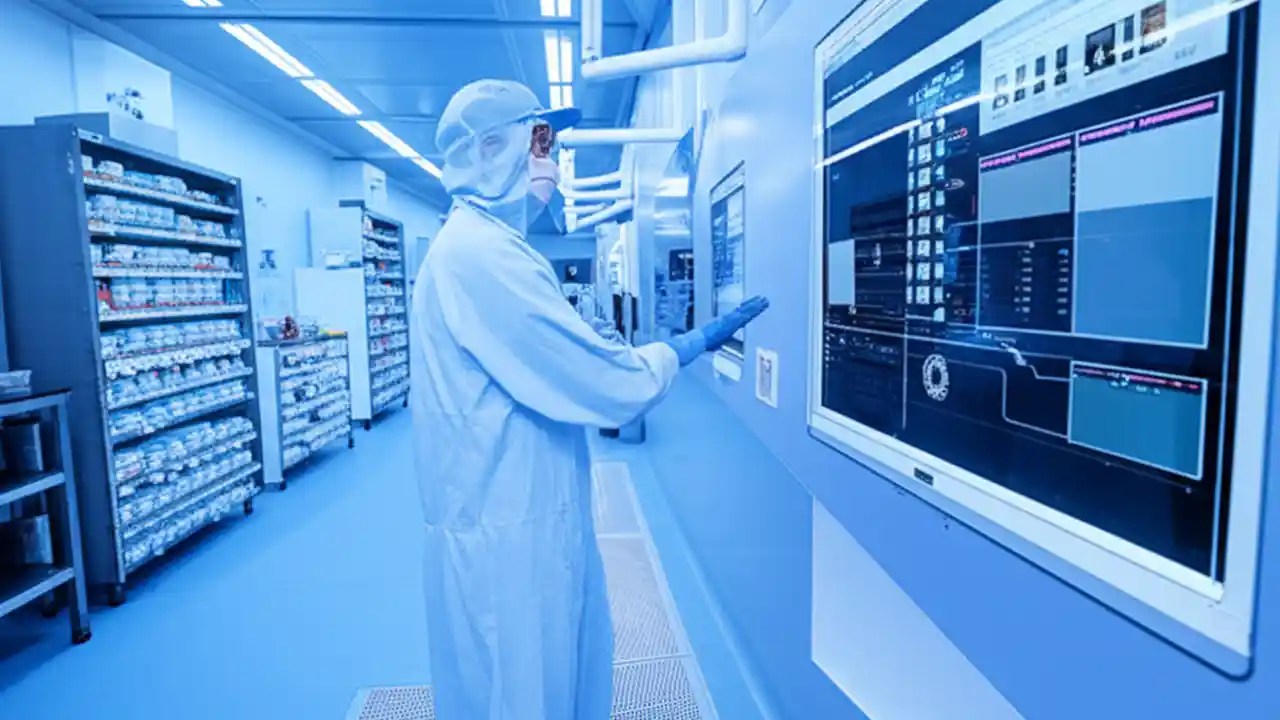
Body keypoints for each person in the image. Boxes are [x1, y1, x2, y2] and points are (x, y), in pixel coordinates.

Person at [410, 79, 768, 719]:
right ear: (497, 149)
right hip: (509, 533)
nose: (551, 163)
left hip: (509, 514)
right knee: (526, 694)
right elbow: (608, 387)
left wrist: (583, 338)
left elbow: (545, 354)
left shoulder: (480, 246)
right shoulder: (480, 255)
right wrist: (680, 348)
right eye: (542, 143)